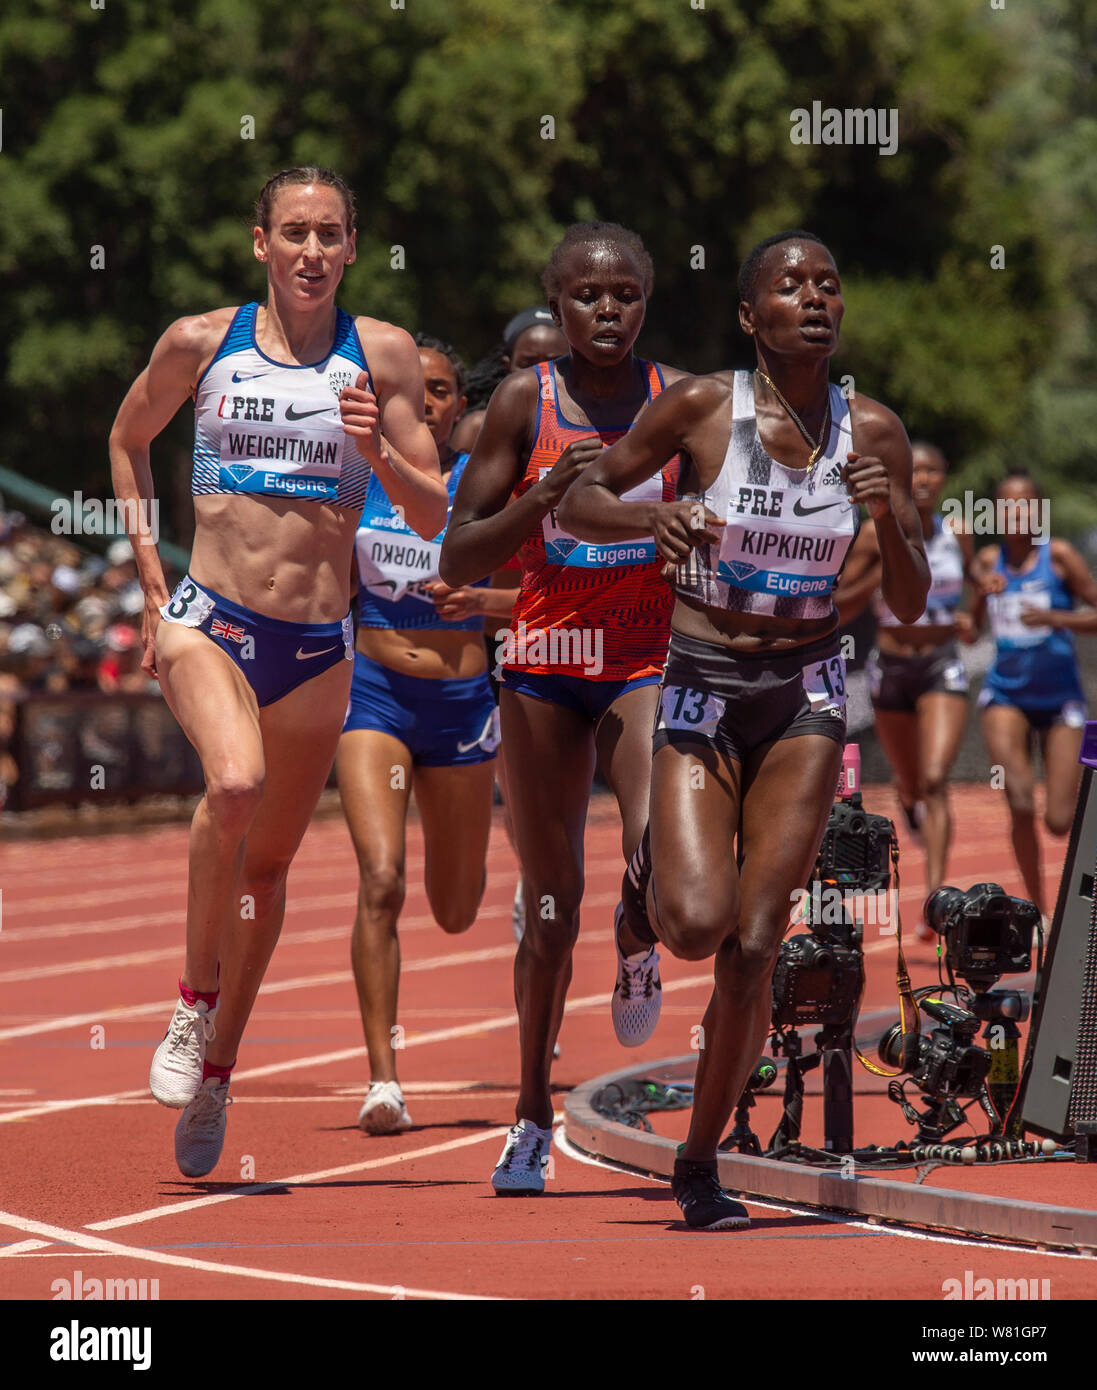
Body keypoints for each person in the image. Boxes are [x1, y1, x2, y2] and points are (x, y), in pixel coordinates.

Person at [560, 230, 929, 1229]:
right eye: (788, 285)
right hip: (703, 681)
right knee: (692, 923)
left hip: (803, 688)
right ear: (746, 315)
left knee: (757, 939)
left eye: (827, 284)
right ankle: (638, 902)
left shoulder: (874, 433)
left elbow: (905, 600)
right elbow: (580, 500)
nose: (812, 299)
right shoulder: (699, 408)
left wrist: (886, 520)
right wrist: (654, 523)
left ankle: (697, 1161)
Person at [109, 166, 447, 1177]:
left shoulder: (380, 354)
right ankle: (189, 1001)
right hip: (210, 620)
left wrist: (376, 455)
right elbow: (128, 441)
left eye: (328, 233)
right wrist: (146, 574)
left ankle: (217, 1070)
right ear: (261, 242)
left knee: (267, 870)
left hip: (314, 649)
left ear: (350, 248)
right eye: (292, 231)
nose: (310, 249)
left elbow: (432, 513)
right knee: (236, 783)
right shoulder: (197, 342)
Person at [441, 222, 687, 1194]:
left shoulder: (679, 405)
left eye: (624, 293)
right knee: (547, 916)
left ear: (645, 301)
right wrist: (537, 501)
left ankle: (639, 933)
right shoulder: (521, 399)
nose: (606, 310)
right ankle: (531, 1116)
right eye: (586, 295)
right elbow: (459, 558)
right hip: (544, 665)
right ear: (556, 305)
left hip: (642, 660)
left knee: (663, 848)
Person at [337, 333, 516, 1134]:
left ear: (458, 405)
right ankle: (383, 1079)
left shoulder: (487, 489)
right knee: (380, 879)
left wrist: (482, 604)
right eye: (414, 387)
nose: (429, 399)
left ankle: (493, 893)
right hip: (374, 695)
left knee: (454, 907)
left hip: (461, 703)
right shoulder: (350, 479)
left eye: (442, 388)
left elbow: (542, 595)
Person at [835, 443, 974, 934]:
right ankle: (908, 794)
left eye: (933, 470)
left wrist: (972, 620)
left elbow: (974, 596)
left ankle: (936, 901)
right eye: (912, 471)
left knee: (936, 780)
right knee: (913, 783)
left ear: (944, 478)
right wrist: (880, 572)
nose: (923, 480)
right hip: (889, 666)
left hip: (941, 665)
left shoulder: (958, 534)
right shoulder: (877, 535)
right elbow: (840, 605)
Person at [969, 469, 1097, 916]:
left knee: (1061, 821)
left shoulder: (1059, 557)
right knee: (1019, 798)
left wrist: (1055, 620)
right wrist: (979, 596)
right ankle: (1037, 913)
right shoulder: (988, 561)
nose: (1017, 513)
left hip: (1061, 700)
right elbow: (969, 633)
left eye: (1026, 504)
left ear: (1038, 510)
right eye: (1007, 504)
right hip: (1006, 696)